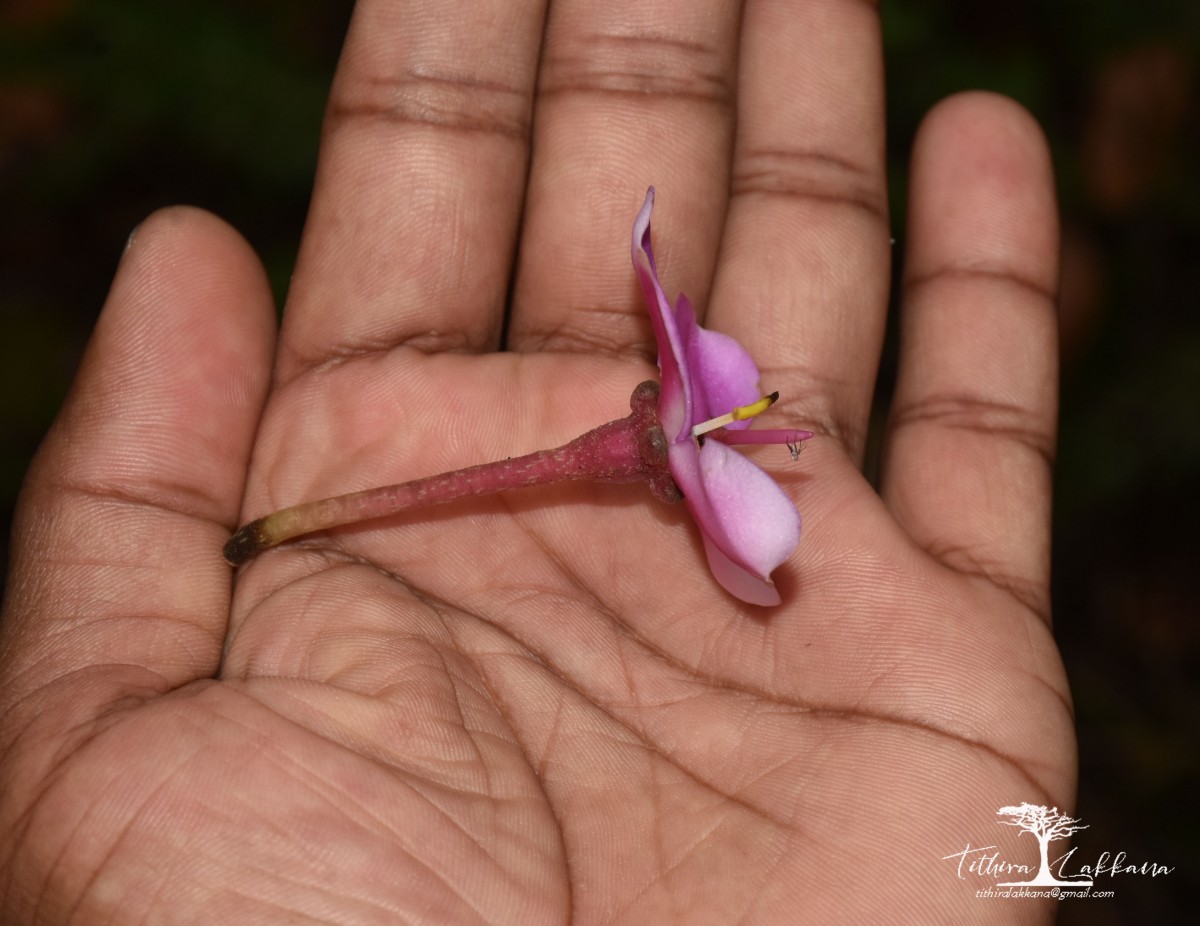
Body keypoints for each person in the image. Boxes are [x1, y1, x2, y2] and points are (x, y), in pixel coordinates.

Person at [0, 1, 1070, 922]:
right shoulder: (691, 439)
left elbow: (747, 528)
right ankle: (284, 530)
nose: (738, 412)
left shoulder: (706, 465)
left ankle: (286, 530)